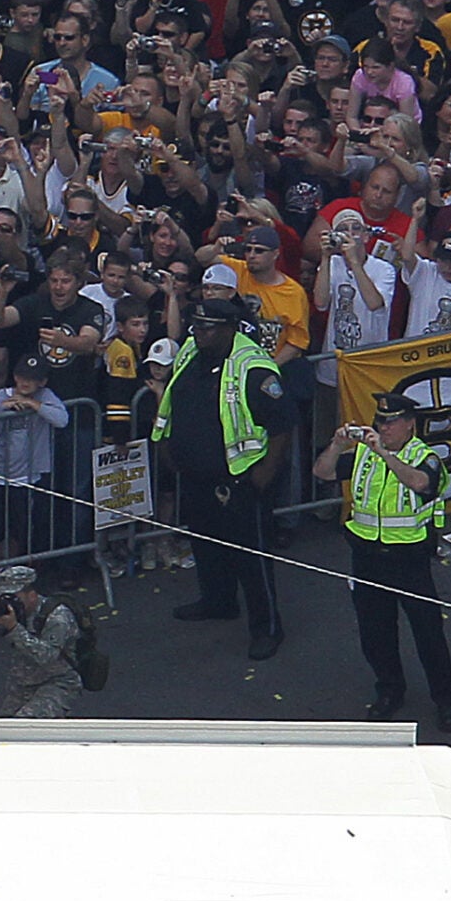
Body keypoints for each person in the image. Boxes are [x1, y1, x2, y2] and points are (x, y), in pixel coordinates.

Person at [150, 267, 293, 657]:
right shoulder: (192, 353)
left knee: (252, 558)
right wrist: (166, 446)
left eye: (210, 328)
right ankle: (218, 601)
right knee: (205, 546)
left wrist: (263, 475)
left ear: (231, 328)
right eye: (197, 326)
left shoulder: (254, 367)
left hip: (240, 480)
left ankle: (267, 627)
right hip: (195, 476)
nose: (200, 333)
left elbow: (281, 426)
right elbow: (172, 404)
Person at [314, 391, 451, 729]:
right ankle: (390, 691)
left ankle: (446, 698)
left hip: (409, 559)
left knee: (428, 634)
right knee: (375, 634)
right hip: (367, 557)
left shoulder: (426, 456)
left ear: (410, 424)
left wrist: (383, 452)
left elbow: (422, 483)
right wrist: (337, 445)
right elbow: (322, 473)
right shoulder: (365, 455)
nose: (384, 427)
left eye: (392, 422)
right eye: (381, 421)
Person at [0, 563, 85, 718]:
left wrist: (14, 628)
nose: (9, 602)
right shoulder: (10, 613)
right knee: (1, 730)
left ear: (32, 595)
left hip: (57, 683)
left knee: (24, 725)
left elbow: (46, 656)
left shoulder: (57, 617)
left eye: (14, 597)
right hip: (22, 685)